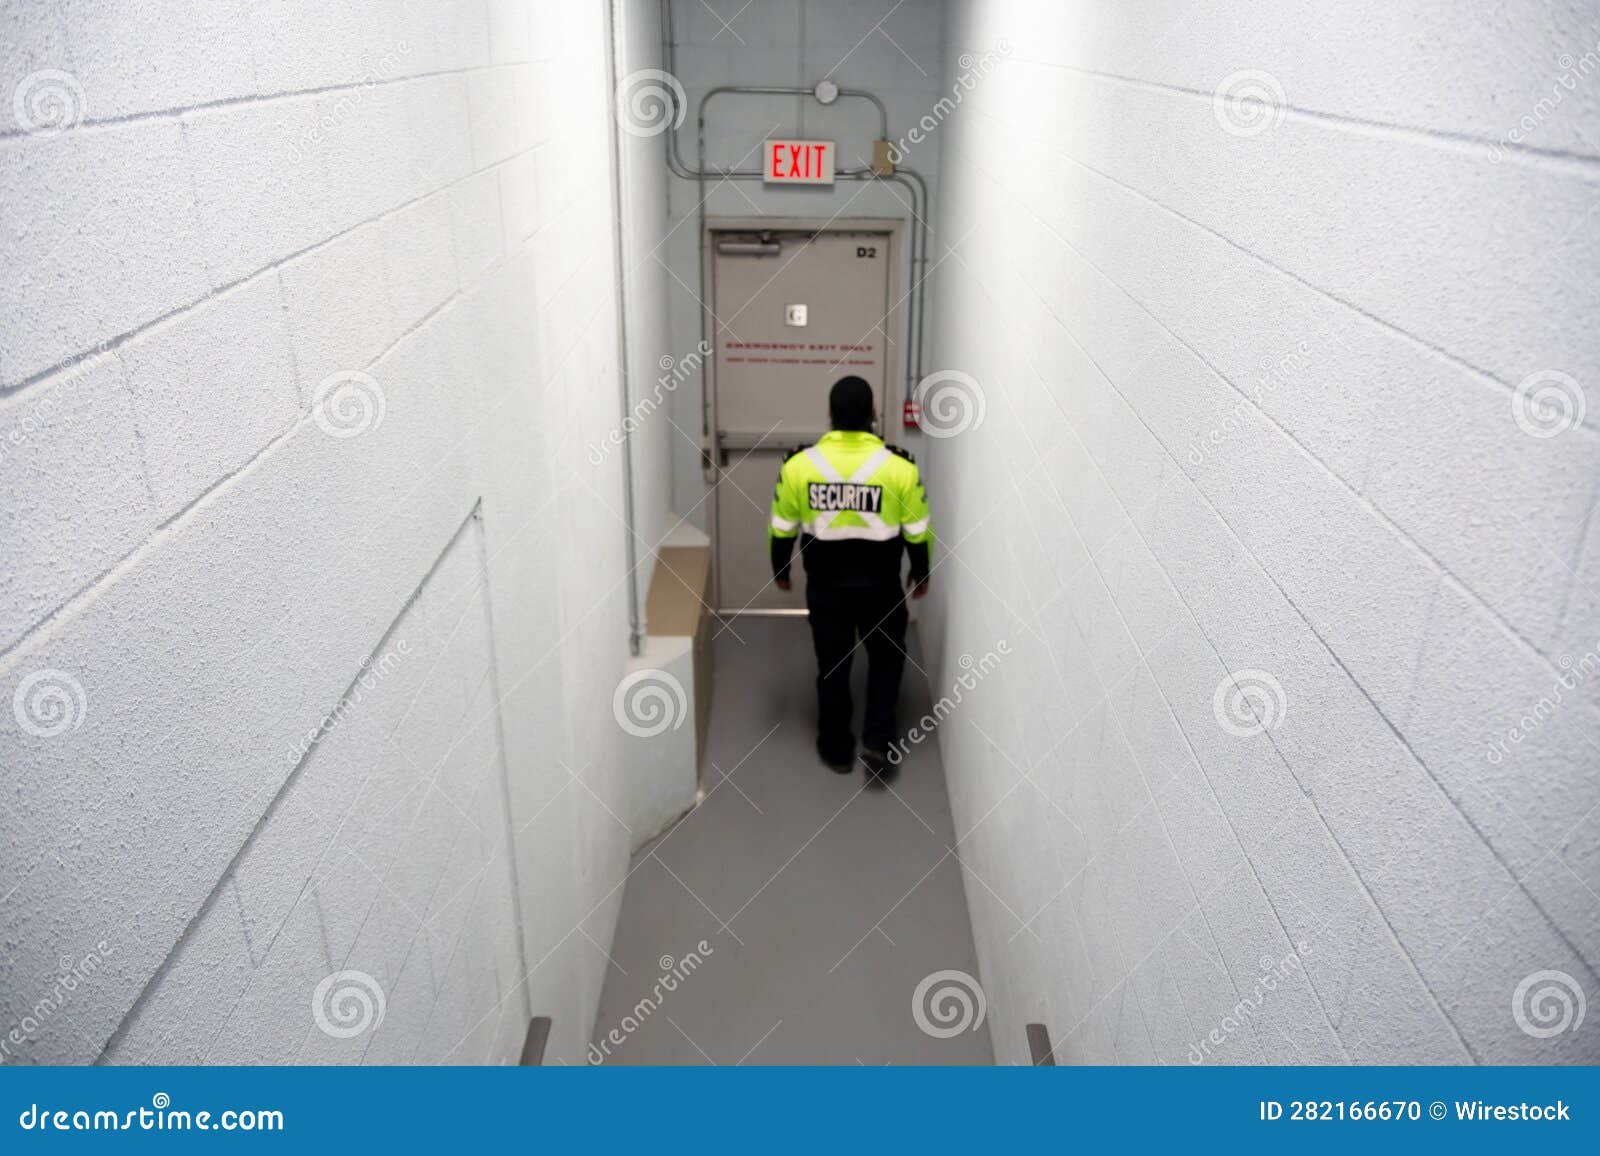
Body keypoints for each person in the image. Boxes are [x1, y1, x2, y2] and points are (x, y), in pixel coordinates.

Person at [768, 376, 934, 778]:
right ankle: (877, 741)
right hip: (881, 588)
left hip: (826, 588)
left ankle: (836, 748)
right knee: (886, 662)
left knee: (832, 666)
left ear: (830, 415)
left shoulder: (799, 465)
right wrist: (921, 573)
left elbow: (781, 527)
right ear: (873, 414)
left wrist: (781, 569)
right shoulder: (899, 467)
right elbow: (918, 531)